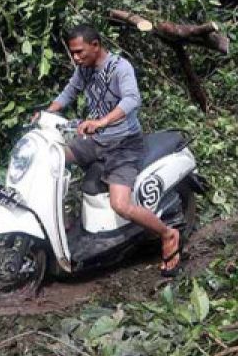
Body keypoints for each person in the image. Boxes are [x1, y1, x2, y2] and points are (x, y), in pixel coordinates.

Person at [40, 24, 183, 277]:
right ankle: (62, 223)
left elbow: (131, 100)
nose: (76, 57)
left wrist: (102, 121)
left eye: (80, 51)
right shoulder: (83, 70)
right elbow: (69, 92)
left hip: (124, 144)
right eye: (73, 53)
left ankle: (168, 234)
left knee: (121, 205)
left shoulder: (120, 68)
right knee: (53, 158)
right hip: (96, 141)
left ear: (95, 45)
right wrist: (47, 113)